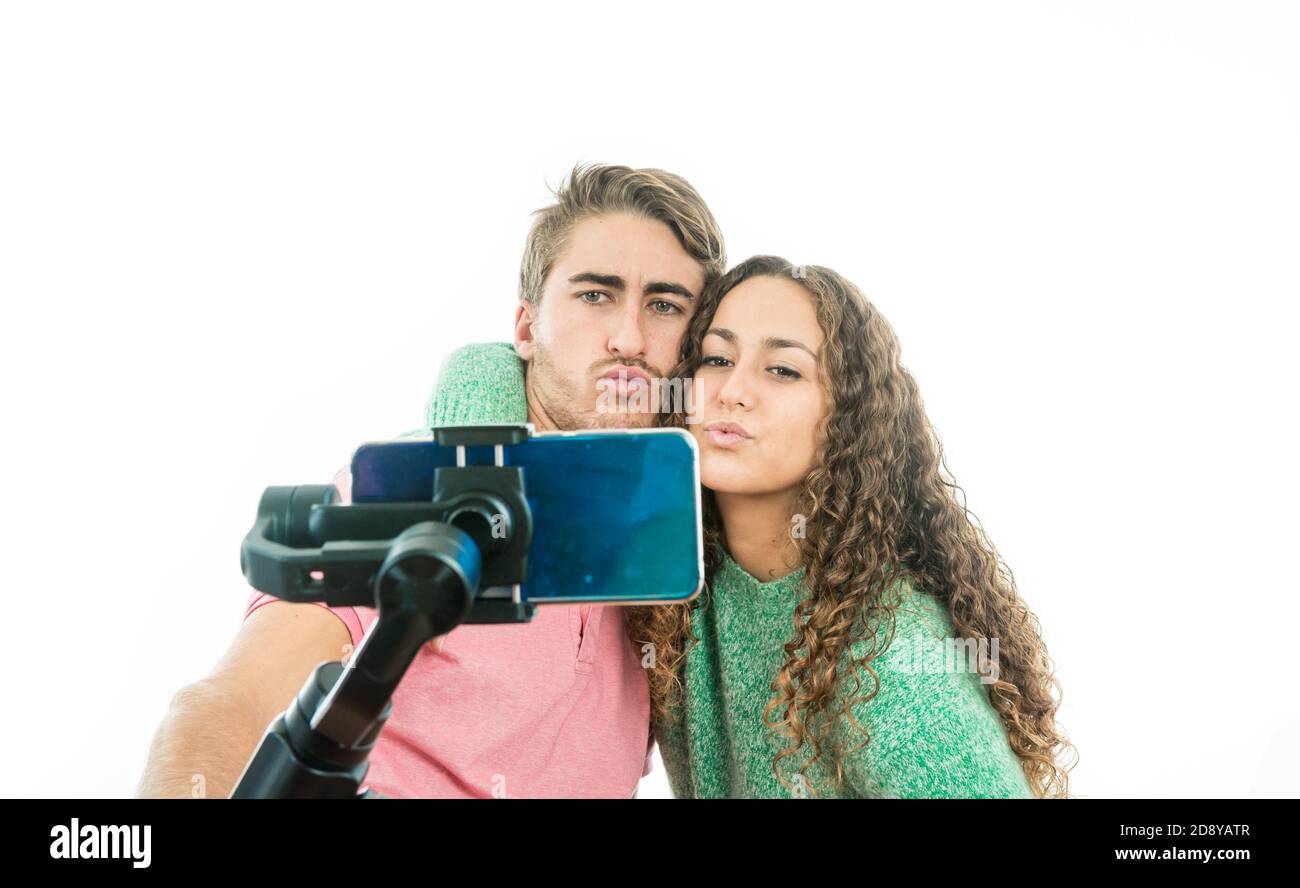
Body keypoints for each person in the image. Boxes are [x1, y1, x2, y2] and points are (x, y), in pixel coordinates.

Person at [135, 163, 726, 798]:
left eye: (664, 305)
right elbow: (227, 706)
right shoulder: (413, 491)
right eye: (594, 295)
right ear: (527, 328)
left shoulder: (670, 569)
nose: (628, 338)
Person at [629, 255, 1077, 797]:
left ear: (847, 419)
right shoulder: (675, 592)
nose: (732, 391)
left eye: (783, 370)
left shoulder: (890, 650)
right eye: (717, 358)